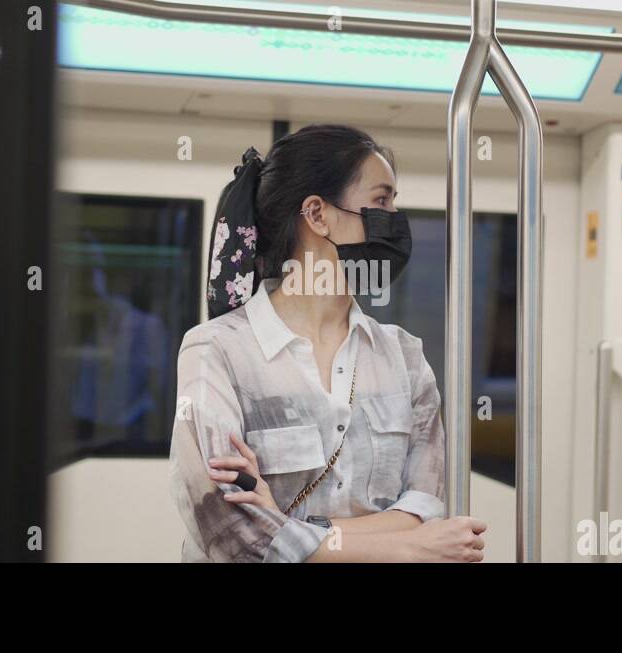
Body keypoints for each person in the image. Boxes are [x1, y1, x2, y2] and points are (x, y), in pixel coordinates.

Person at [168, 124, 487, 562]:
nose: (395, 218)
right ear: (317, 215)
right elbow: (232, 534)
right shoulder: (217, 351)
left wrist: (287, 527)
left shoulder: (404, 357)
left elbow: (426, 507)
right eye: (381, 200)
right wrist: (406, 548)